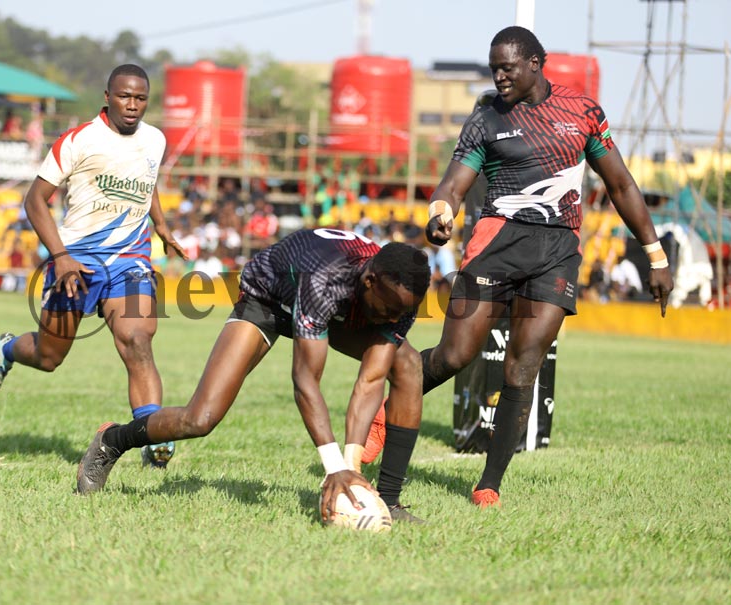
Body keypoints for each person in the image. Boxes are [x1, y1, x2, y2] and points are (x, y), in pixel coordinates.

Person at [370, 26, 674, 509]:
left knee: (523, 366)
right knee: (455, 356)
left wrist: (655, 254)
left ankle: (489, 484)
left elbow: (621, 186)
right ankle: (382, 416)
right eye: (494, 67)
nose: (499, 75)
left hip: (556, 252)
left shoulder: (583, 113)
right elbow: (452, 185)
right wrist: (440, 214)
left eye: (507, 67)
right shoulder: (486, 118)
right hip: (494, 246)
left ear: (536, 62)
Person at [76, 228, 431, 525]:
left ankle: (389, 499)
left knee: (408, 364)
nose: (395, 318)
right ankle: (113, 440)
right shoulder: (324, 278)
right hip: (269, 299)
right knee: (200, 418)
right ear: (370, 281)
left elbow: (370, 381)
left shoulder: (400, 299)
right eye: (391, 310)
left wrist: (352, 470)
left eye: (403, 312)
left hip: (340, 307)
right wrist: (333, 468)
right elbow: (306, 381)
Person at [0, 63, 187, 469]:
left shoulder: (155, 139)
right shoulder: (78, 141)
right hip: (75, 261)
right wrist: (61, 258)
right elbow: (34, 201)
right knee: (48, 357)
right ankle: (6, 349)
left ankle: (151, 436)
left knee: (138, 339)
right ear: (107, 97)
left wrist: (160, 225)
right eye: (125, 96)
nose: (133, 105)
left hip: (130, 258)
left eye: (141, 98)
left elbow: (147, 179)